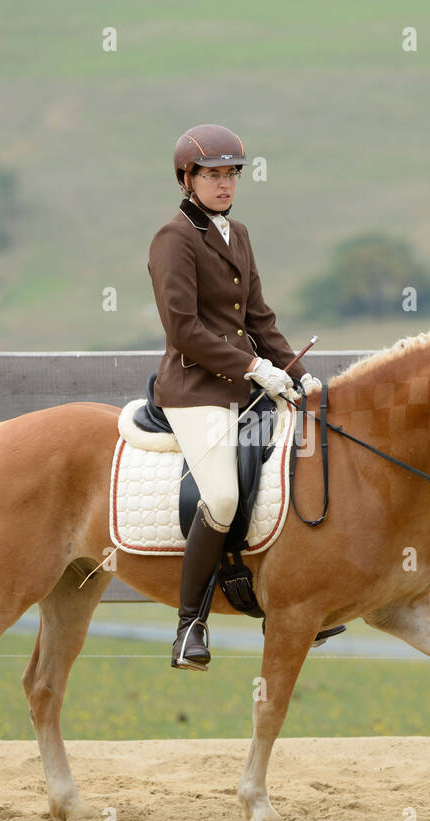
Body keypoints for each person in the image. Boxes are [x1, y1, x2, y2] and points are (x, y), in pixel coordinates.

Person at [147, 123, 321, 671]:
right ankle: (189, 624)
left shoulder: (237, 233)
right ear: (187, 178)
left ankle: (291, 600)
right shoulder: (173, 239)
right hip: (195, 391)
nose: (225, 184)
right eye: (213, 175)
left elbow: (260, 319)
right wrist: (251, 365)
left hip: (246, 389)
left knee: (307, 467)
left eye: (231, 175)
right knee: (221, 498)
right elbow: (184, 329)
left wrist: (296, 372)